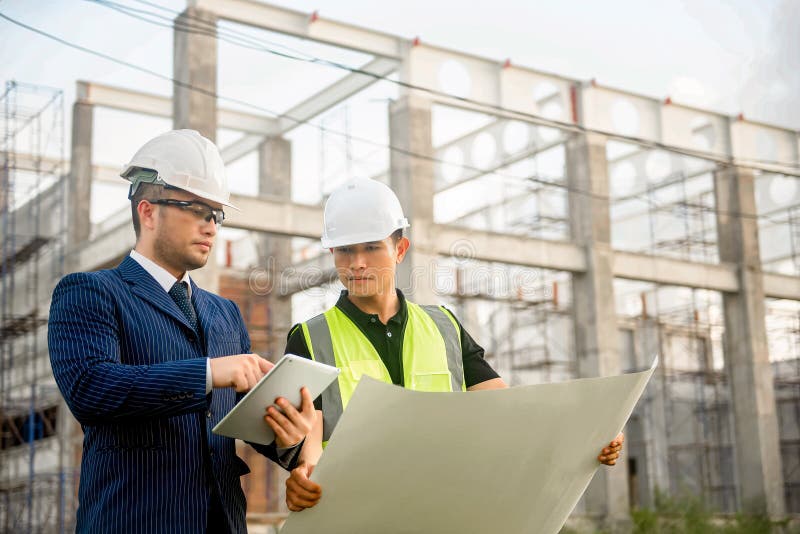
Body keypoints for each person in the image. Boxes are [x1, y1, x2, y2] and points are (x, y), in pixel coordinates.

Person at [280, 177, 624, 511]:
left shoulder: (444, 327)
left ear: (400, 249)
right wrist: (301, 478)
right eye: (345, 250)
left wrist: (589, 435)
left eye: (371, 247)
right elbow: (303, 443)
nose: (357, 263)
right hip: (359, 517)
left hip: (446, 512)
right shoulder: (311, 338)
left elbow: (513, 410)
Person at [47, 130, 316, 534]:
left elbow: (240, 422)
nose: (211, 226)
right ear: (148, 211)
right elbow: (91, 389)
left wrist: (288, 437)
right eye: (196, 209)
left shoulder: (225, 314)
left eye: (216, 215)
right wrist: (208, 373)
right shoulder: (91, 292)